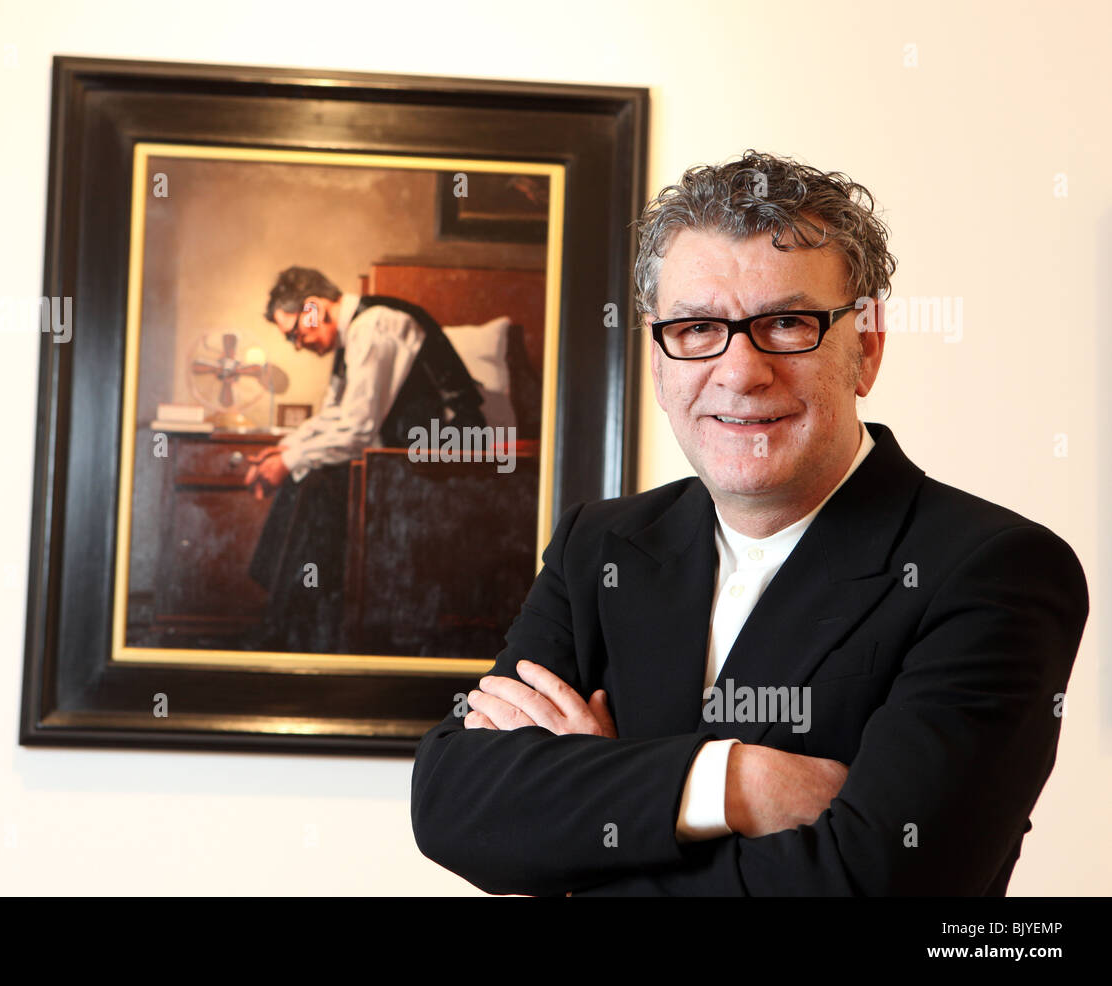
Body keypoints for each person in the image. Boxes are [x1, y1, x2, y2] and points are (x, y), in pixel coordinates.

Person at [409, 150, 1089, 896]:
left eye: (788, 322)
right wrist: (735, 781)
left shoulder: (996, 570)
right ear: (659, 363)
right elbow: (453, 805)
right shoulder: (598, 546)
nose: (740, 372)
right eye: (698, 328)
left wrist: (599, 795)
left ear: (865, 349)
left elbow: (876, 883)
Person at [246, 267, 485, 652]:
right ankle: (286, 620)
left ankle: (296, 628)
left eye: (295, 333)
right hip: (402, 453)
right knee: (308, 474)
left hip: (448, 451)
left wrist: (291, 461)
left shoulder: (374, 327)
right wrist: (287, 449)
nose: (297, 344)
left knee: (316, 482)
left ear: (314, 309)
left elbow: (357, 431)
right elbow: (335, 415)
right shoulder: (351, 338)